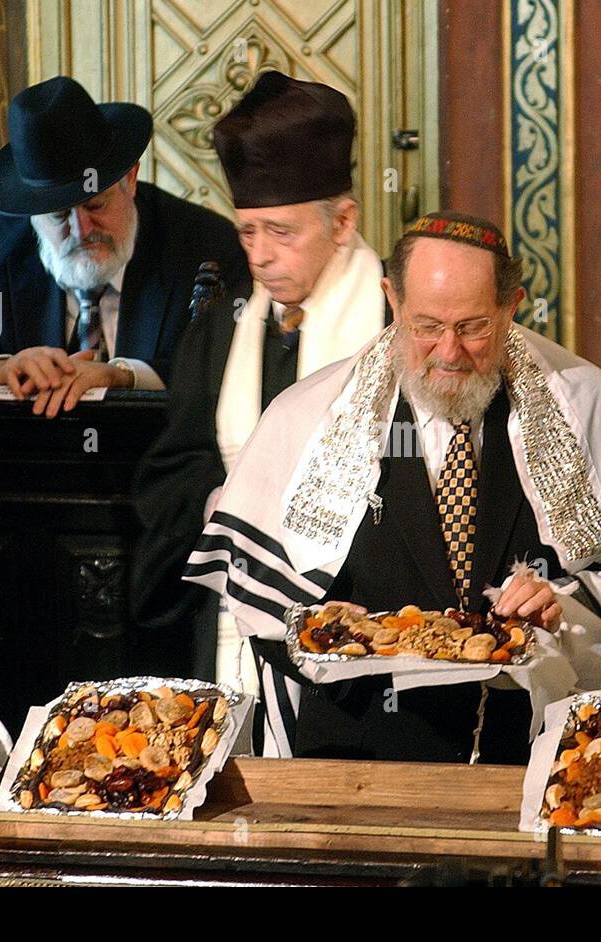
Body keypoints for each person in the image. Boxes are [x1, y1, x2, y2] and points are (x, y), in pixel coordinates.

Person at [184, 211, 601, 761]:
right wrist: (332, 634)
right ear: (393, 299)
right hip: (360, 771)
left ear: (512, 307)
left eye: (473, 327)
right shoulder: (304, 418)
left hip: (524, 764)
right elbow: (264, 611)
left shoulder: (585, 406)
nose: (448, 352)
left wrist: (564, 609)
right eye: (427, 326)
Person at [130, 72, 386, 682]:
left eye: (282, 232)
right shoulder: (224, 326)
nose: (260, 255)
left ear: (343, 222)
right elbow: (175, 466)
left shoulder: (394, 325)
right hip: (236, 611)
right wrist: (214, 502)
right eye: (247, 231)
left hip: (366, 622)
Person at [0, 76, 246, 417]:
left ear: (130, 179)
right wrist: (2, 369)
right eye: (59, 215)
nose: (81, 231)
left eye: (96, 206)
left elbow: (228, 369)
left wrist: (124, 376)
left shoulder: (205, 246)